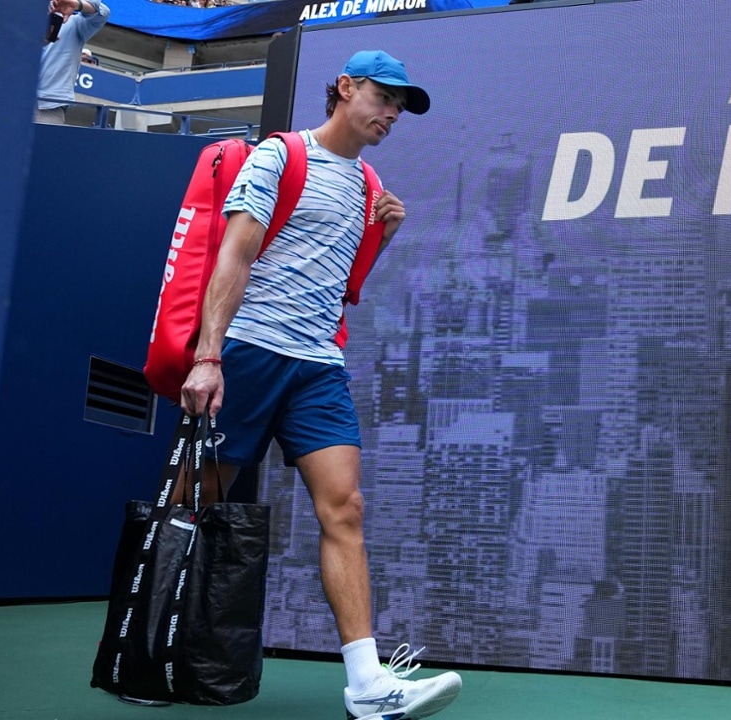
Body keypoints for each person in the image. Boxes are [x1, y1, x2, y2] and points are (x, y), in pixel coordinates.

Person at [176, 50, 461, 720]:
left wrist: (383, 235)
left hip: (317, 367)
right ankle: (156, 646)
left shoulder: (370, 186)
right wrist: (209, 357)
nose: (391, 114)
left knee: (346, 508)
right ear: (345, 88)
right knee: (195, 505)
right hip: (247, 353)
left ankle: (367, 686)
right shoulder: (279, 157)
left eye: (400, 107)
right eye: (383, 97)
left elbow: (340, 285)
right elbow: (235, 255)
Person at [35, 0, 109, 124]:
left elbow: (102, 12)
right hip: (14, 98)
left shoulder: (74, 23)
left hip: (48, 106)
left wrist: (76, 4)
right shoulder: (21, 23)